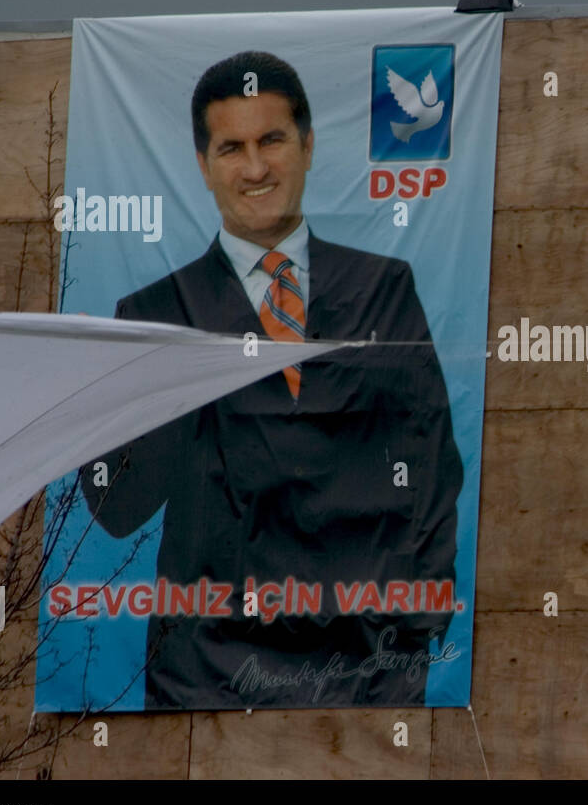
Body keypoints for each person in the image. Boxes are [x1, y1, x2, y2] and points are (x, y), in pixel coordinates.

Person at [80, 51, 463, 709]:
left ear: (309, 146)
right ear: (202, 166)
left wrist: (417, 630)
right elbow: (118, 512)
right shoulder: (153, 317)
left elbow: (432, 464)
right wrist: (141, 389)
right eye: (232, 147)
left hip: (364, 672)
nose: (255, 168)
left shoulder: (383, 287)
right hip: (208, 678)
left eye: (272, 140)